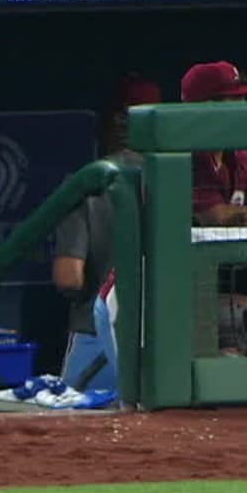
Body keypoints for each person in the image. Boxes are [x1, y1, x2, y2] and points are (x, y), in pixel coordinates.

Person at [53, 73, 160, 392]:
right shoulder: (180, 183)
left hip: (95, 339)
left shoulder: (86, 184)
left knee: (78, 432)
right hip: (163, 342)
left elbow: (68, 277)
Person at [182, 60, 247, 227]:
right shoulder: (183, 156)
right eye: (235, 97)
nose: (243, 106)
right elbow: (211, 216)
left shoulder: (239, 154)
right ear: (207, 107)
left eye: (243, 97)